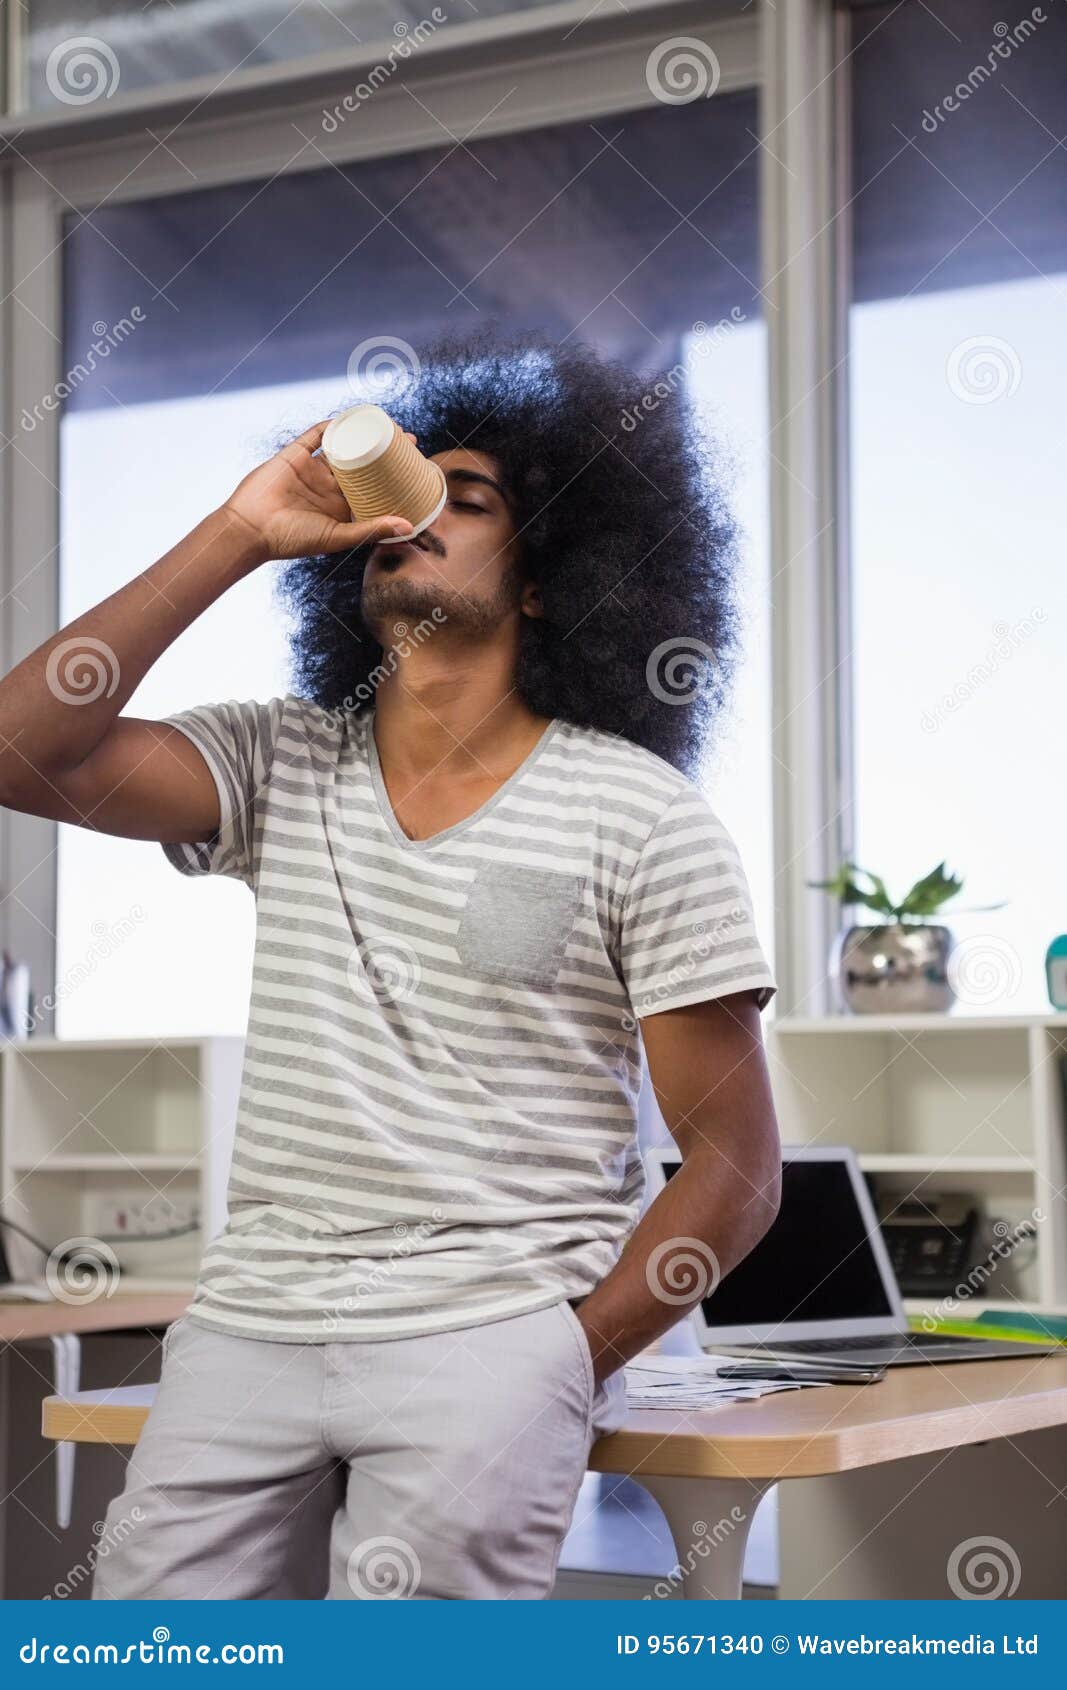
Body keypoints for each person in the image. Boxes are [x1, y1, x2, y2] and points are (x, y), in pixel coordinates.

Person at [0, 327, 781, 1600]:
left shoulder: (640, 816)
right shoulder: (279, 762)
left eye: (465, 500)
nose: (412, 517)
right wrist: (236, 532)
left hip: (492, 1328)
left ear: (546, 583)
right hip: (250, 1317)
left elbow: (738, 1173)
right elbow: (18, 749)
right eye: (403, 499)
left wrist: (562, 1354)